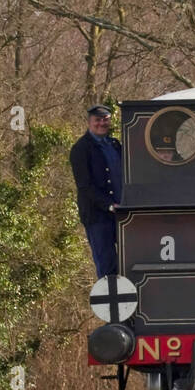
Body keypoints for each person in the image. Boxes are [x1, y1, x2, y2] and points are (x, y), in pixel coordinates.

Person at [69, 105, 122, 278]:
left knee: (130, 260)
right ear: (89, 122)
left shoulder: (115, 145)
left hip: (123, 214)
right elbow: (84, 186)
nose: (102, 123)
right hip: (98, 215)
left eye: (105, 119)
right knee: (107, 266)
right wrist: (108, 205)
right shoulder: (81, 149)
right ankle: (111, 305)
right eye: (97, 120)